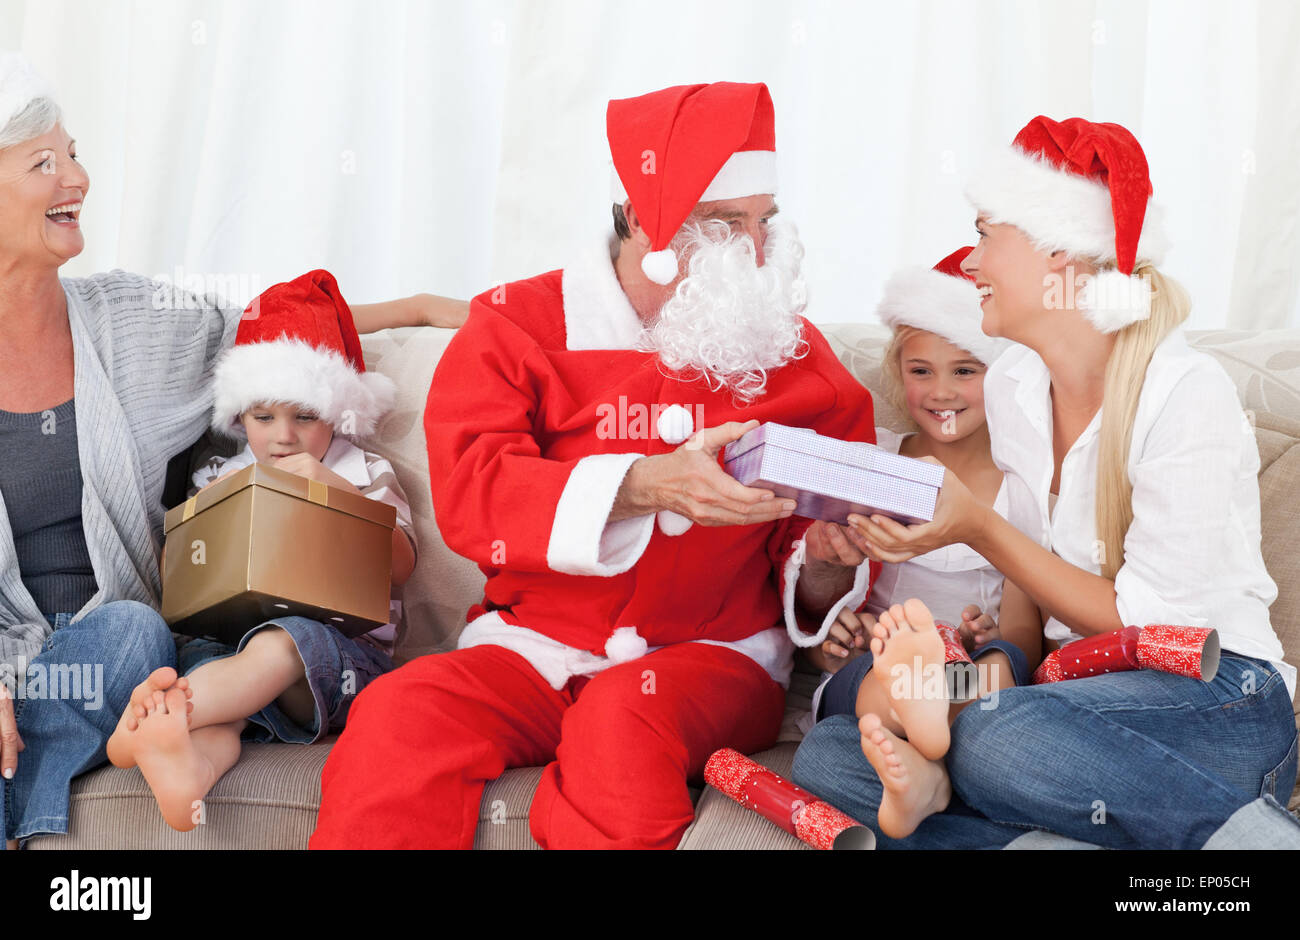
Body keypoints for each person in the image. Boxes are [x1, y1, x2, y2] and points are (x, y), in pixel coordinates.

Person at [310, 81, 884, 850]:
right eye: (722, 225)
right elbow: (475, 492)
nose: (753, 250)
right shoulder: (515, 325)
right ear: (642, 218)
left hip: (712, 658)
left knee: (623, 719)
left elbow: (815, 559)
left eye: (764, 222)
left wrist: (822, 567)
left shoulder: (795, 354)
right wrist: (641, 484)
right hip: (533, 645)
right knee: (398, 715)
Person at [793, 116, 1300, 849]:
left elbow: (1154, 633)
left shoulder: (1186, 394)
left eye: (985, 234)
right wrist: (981, 659)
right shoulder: (1018, 390)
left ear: (1058, 253)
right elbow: (1030, 610)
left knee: (1002, 737)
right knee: (836, 748)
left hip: (1218, 702)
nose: (969, 263)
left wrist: (977, 526)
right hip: (1061, 693)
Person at [0, 52, 463, 849]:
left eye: (73, 152)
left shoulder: (127, 324)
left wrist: (420, 305)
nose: (77, 176)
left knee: (136, 636)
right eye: (46, 162)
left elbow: (271, 327)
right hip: (17, 668)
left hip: (113, 651)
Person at [104, 270, 417, 832]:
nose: (284, 437)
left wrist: (334, 491)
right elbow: (179, 573)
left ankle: (160, 711)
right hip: (232, 656)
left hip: (340, 659)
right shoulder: (222, 473)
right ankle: (188, 771)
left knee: (277, 645)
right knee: (225, 677)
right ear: (240, 416)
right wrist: (209, 518)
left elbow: (402, 564)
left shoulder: (361, 471)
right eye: (263, 417)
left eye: (305, 416)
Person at [801, 249, 1037, 777]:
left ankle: (923, 761)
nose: (942, 391)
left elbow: (1024, 640)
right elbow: (820, 633)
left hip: (969, 677)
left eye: (965, 370)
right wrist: (842, 638)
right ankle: (921, 723)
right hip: (877, 669)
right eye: (921, 371)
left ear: (1002, 376)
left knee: (1003, 666)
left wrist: (985, 636)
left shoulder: (1023, 487)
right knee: (880, 679)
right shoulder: (873, 462)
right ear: (898, 373)